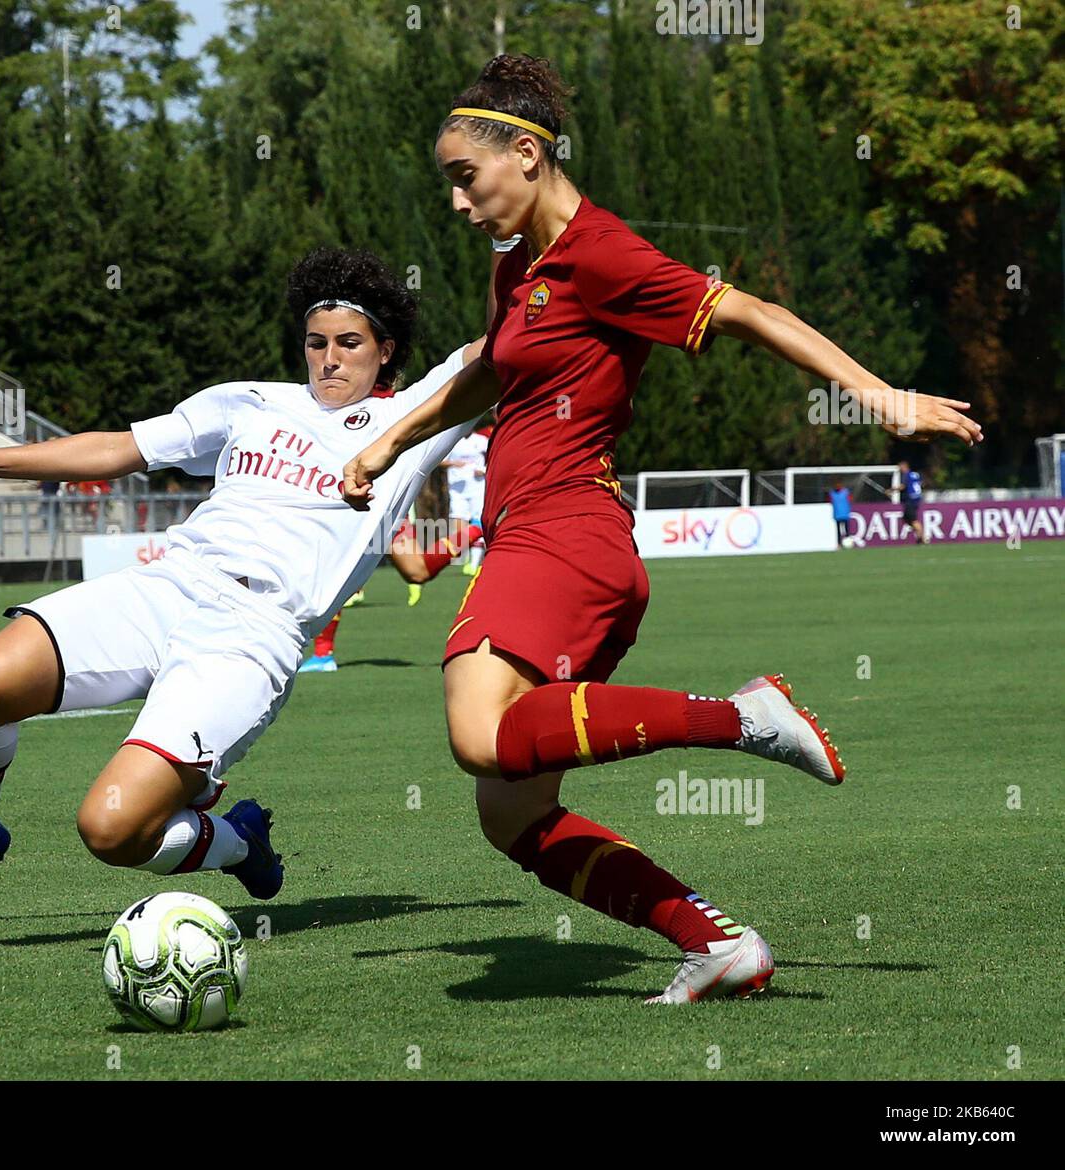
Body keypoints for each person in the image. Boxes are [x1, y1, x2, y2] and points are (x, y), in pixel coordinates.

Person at [343, 55, 983, 1004]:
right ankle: (716, 945)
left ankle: (744, 716)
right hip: (550, 542)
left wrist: (879, 399)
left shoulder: (602, 253)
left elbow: (749, 311)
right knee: (509, 813)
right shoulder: (516, 259)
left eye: (462, 178)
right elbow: (491, 368)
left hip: (564, 532)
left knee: (478, 735)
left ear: (524, 152)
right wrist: (393, 438)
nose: (459, 204)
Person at [0, 248, 484, 913]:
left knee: (111, 829)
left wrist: (515, 226)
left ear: (385, 349)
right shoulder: (250, 402)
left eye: (348, 343)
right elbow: (120, 447)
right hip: (170, 582)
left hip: (254, 635)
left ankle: (238, 844)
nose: (329, 359)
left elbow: (506, 341)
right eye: (316, 343)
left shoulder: (419, 418)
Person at [300, 515, 484, 671]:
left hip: (378, 505)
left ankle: (478, 529)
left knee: (416, 570)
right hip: (361, 506)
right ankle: (323, 655)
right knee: (415, 570)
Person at [442, 420, 491, 575]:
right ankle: (466, 557)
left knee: (478, 521)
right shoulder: (452, 441)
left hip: (477, 487)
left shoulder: (481, 441)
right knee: (459, 525)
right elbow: (439, 462)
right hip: (457, 489)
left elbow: (494, 458)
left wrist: (483, 469)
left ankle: (474, 563)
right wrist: (453, 463)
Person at [890, 460, 926, 543]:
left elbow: (903, 486)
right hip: (917, 498)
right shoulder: (916, 474)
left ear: (905, 466)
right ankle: (920, 536)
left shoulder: (906, 475)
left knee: (913, 520)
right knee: (906, 519)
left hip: (910, 499)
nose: (899, 469)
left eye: (900, 467)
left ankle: (923, 538)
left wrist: (892, 490)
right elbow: (922, 484)